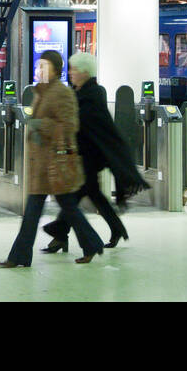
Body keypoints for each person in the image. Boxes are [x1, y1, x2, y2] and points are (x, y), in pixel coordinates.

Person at [0, 50, 104, 267]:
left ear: (55, 70)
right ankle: (21, 256)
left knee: (57, 210)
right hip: (43, 163)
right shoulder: (41, 91)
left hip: (55, 163)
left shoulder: (62, 93)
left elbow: (70, 125)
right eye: (39, 66)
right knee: (44, 211)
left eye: (44, 66)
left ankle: (20, 256)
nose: (39, 70)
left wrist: (42, 126)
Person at [41, 51, 147, 252]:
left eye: (73, 69)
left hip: (90, 156)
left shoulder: (92, 94)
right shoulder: (82, 92)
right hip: (85, 155)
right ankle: (112, 229)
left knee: (73, 196)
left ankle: (60, 232)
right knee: (91, 194)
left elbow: (88, 126)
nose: (70, 73)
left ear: (83, 72)